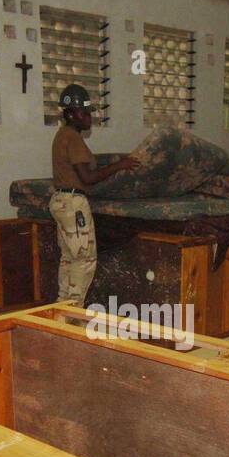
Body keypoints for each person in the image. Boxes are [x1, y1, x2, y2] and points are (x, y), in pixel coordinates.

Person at [50, 84, 139, 305]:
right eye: (83, 112)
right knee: (84, 259)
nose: (88, 117)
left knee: (69, 259)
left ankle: (62, 310)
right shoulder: (72, 137)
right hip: (73, 204)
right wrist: (120, 166)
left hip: (61, 201)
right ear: (70, 114)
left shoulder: (63, 135)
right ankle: (74, 314)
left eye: (89, 112)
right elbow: (87, 178)